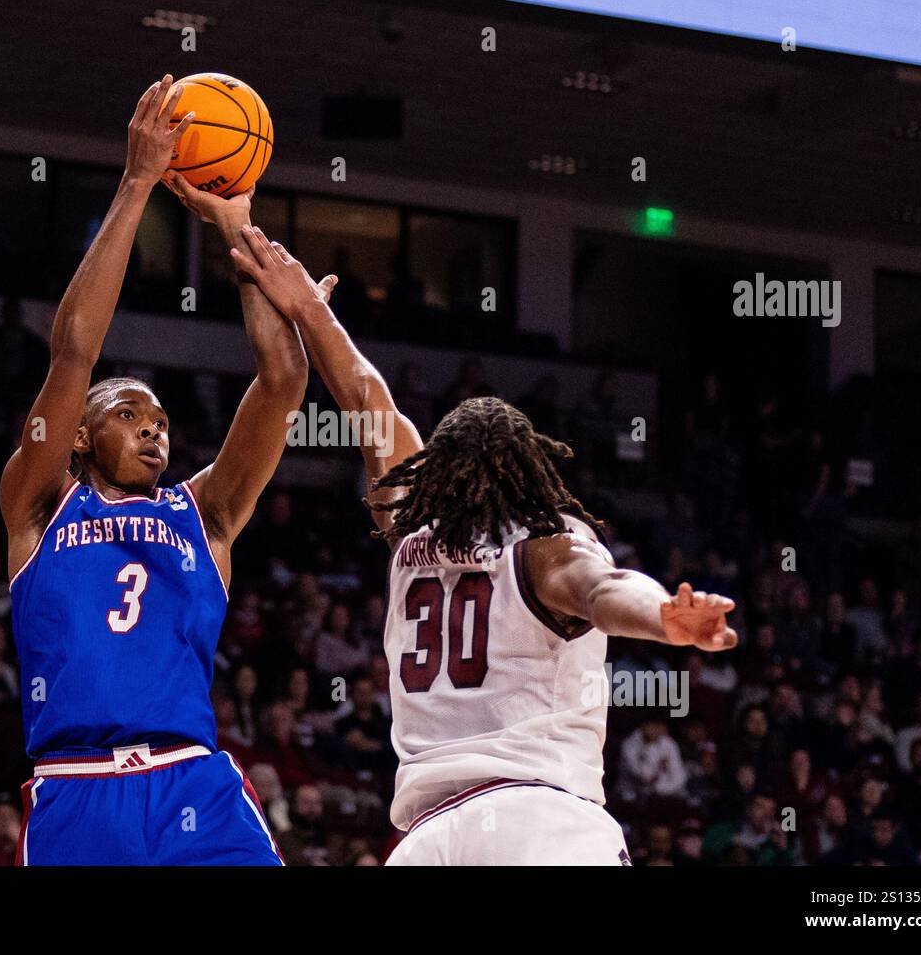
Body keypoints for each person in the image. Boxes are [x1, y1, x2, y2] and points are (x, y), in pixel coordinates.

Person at [230, 225, 740, 865]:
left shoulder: (408, 528)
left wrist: (308, 310)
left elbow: (365, 396)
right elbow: (606, 590)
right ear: (531, 471)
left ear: (438, 469)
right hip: (541, 819)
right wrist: (664, 617)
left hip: (427, 839)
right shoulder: (543, 544)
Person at [1, 76, 309, 865]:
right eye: (130, 417)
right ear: (76, 436)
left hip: (189, 785)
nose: (153, 431)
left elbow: (283, 383)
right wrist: (138, 181)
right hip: (74, 788)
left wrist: (240, 236)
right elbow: (74, 347)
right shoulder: (39, 507)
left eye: (164, 422)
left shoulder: (202, 515)